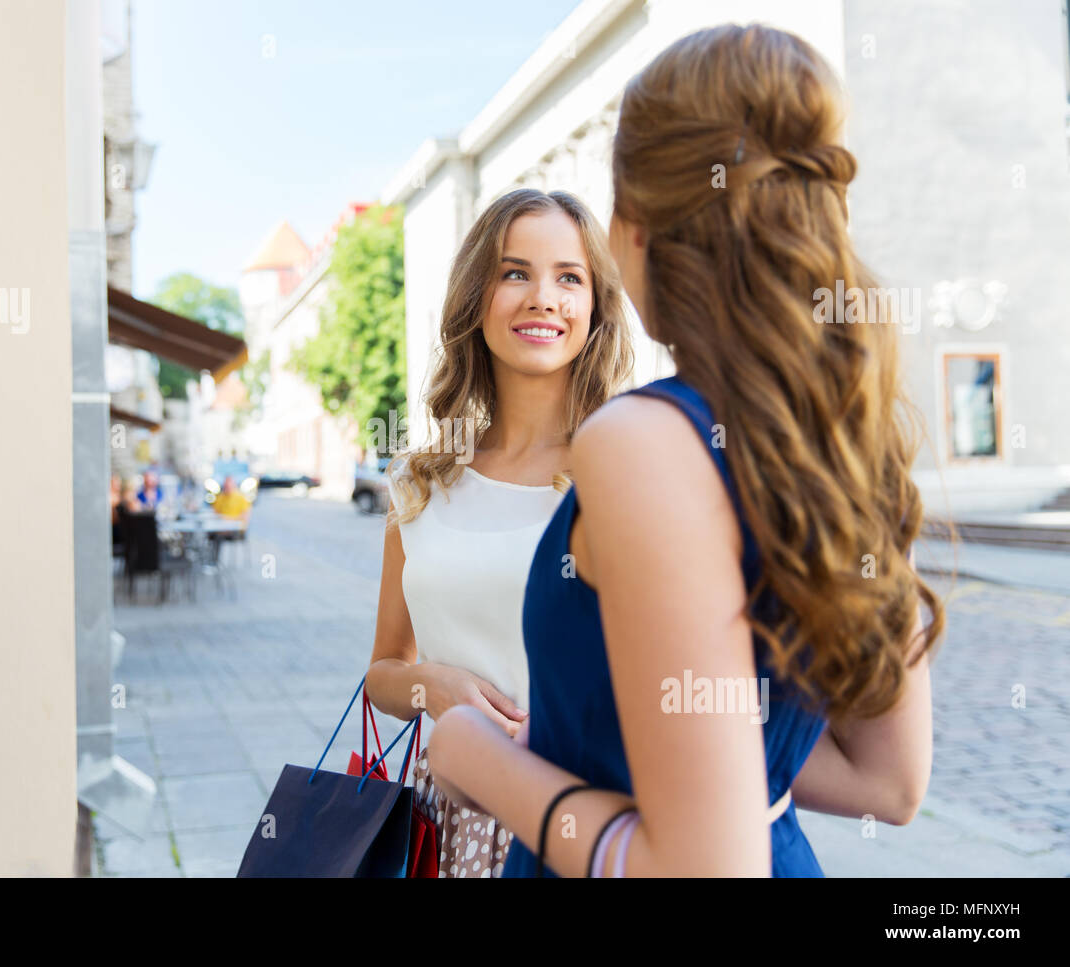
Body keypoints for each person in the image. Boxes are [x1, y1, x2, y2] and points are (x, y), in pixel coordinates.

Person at [425, 23, 944, 877]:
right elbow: (888, 781)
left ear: (632, 230)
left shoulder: (642, 441)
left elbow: (700, 869)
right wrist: (712, 766)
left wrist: (473, 752)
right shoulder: (852, 437)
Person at [365, 188, 635, 876]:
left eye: (569, 277)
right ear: (474, 299)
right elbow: (383, 672)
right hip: (444, 824)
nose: (543, 297)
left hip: (575, 816)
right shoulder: (418, 482)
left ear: (596, 306)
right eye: (515, 272)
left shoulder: (624, 476)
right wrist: (437, 688)